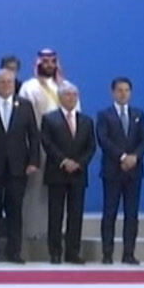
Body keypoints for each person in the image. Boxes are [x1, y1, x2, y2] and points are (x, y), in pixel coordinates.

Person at [0, 69, 39, 264]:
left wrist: (33, 161)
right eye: (1, 82)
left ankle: (14, 251)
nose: (6, 85)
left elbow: (34, 136)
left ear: (14, 84)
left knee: (15, 211)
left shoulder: (25, 106)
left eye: (9, 82)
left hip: (17, 168)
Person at [19, 48, 75, 240]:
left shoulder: (67, 86)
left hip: (63, 149)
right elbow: (25, 119)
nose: (49, 65)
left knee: (59, 192)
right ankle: (33, 232)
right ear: (39, 63)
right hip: (38, 146)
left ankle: (56, 232)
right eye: (45, 61)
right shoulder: (29, 87)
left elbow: (76, 116)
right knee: (35, 190)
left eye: (52, 61)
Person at [40, 83, 95, 264]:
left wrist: (79, 163)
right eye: (67, 95)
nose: (71, 98)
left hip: (78, 174)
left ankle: (73, 252)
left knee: (76, 215)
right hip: (57, 172)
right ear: (60, 97)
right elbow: (47, 143)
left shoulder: (86, 121)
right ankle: (55, 252)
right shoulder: (49, 119)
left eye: (74, 95)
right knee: (55, 215)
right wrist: (64, 161)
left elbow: (91, 147)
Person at [96, 77, 144, 265]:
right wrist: (122, 157)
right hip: (112, 170)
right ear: (113, 92)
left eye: (127, 90)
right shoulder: (105, 115)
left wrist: (134, 157)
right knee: (109, 213)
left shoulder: (138, 114)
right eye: (120, 90)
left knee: (131, 214)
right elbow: (103, 140)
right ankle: (107, 254)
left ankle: (129, 254)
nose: (123, 93)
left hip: (134, 172)